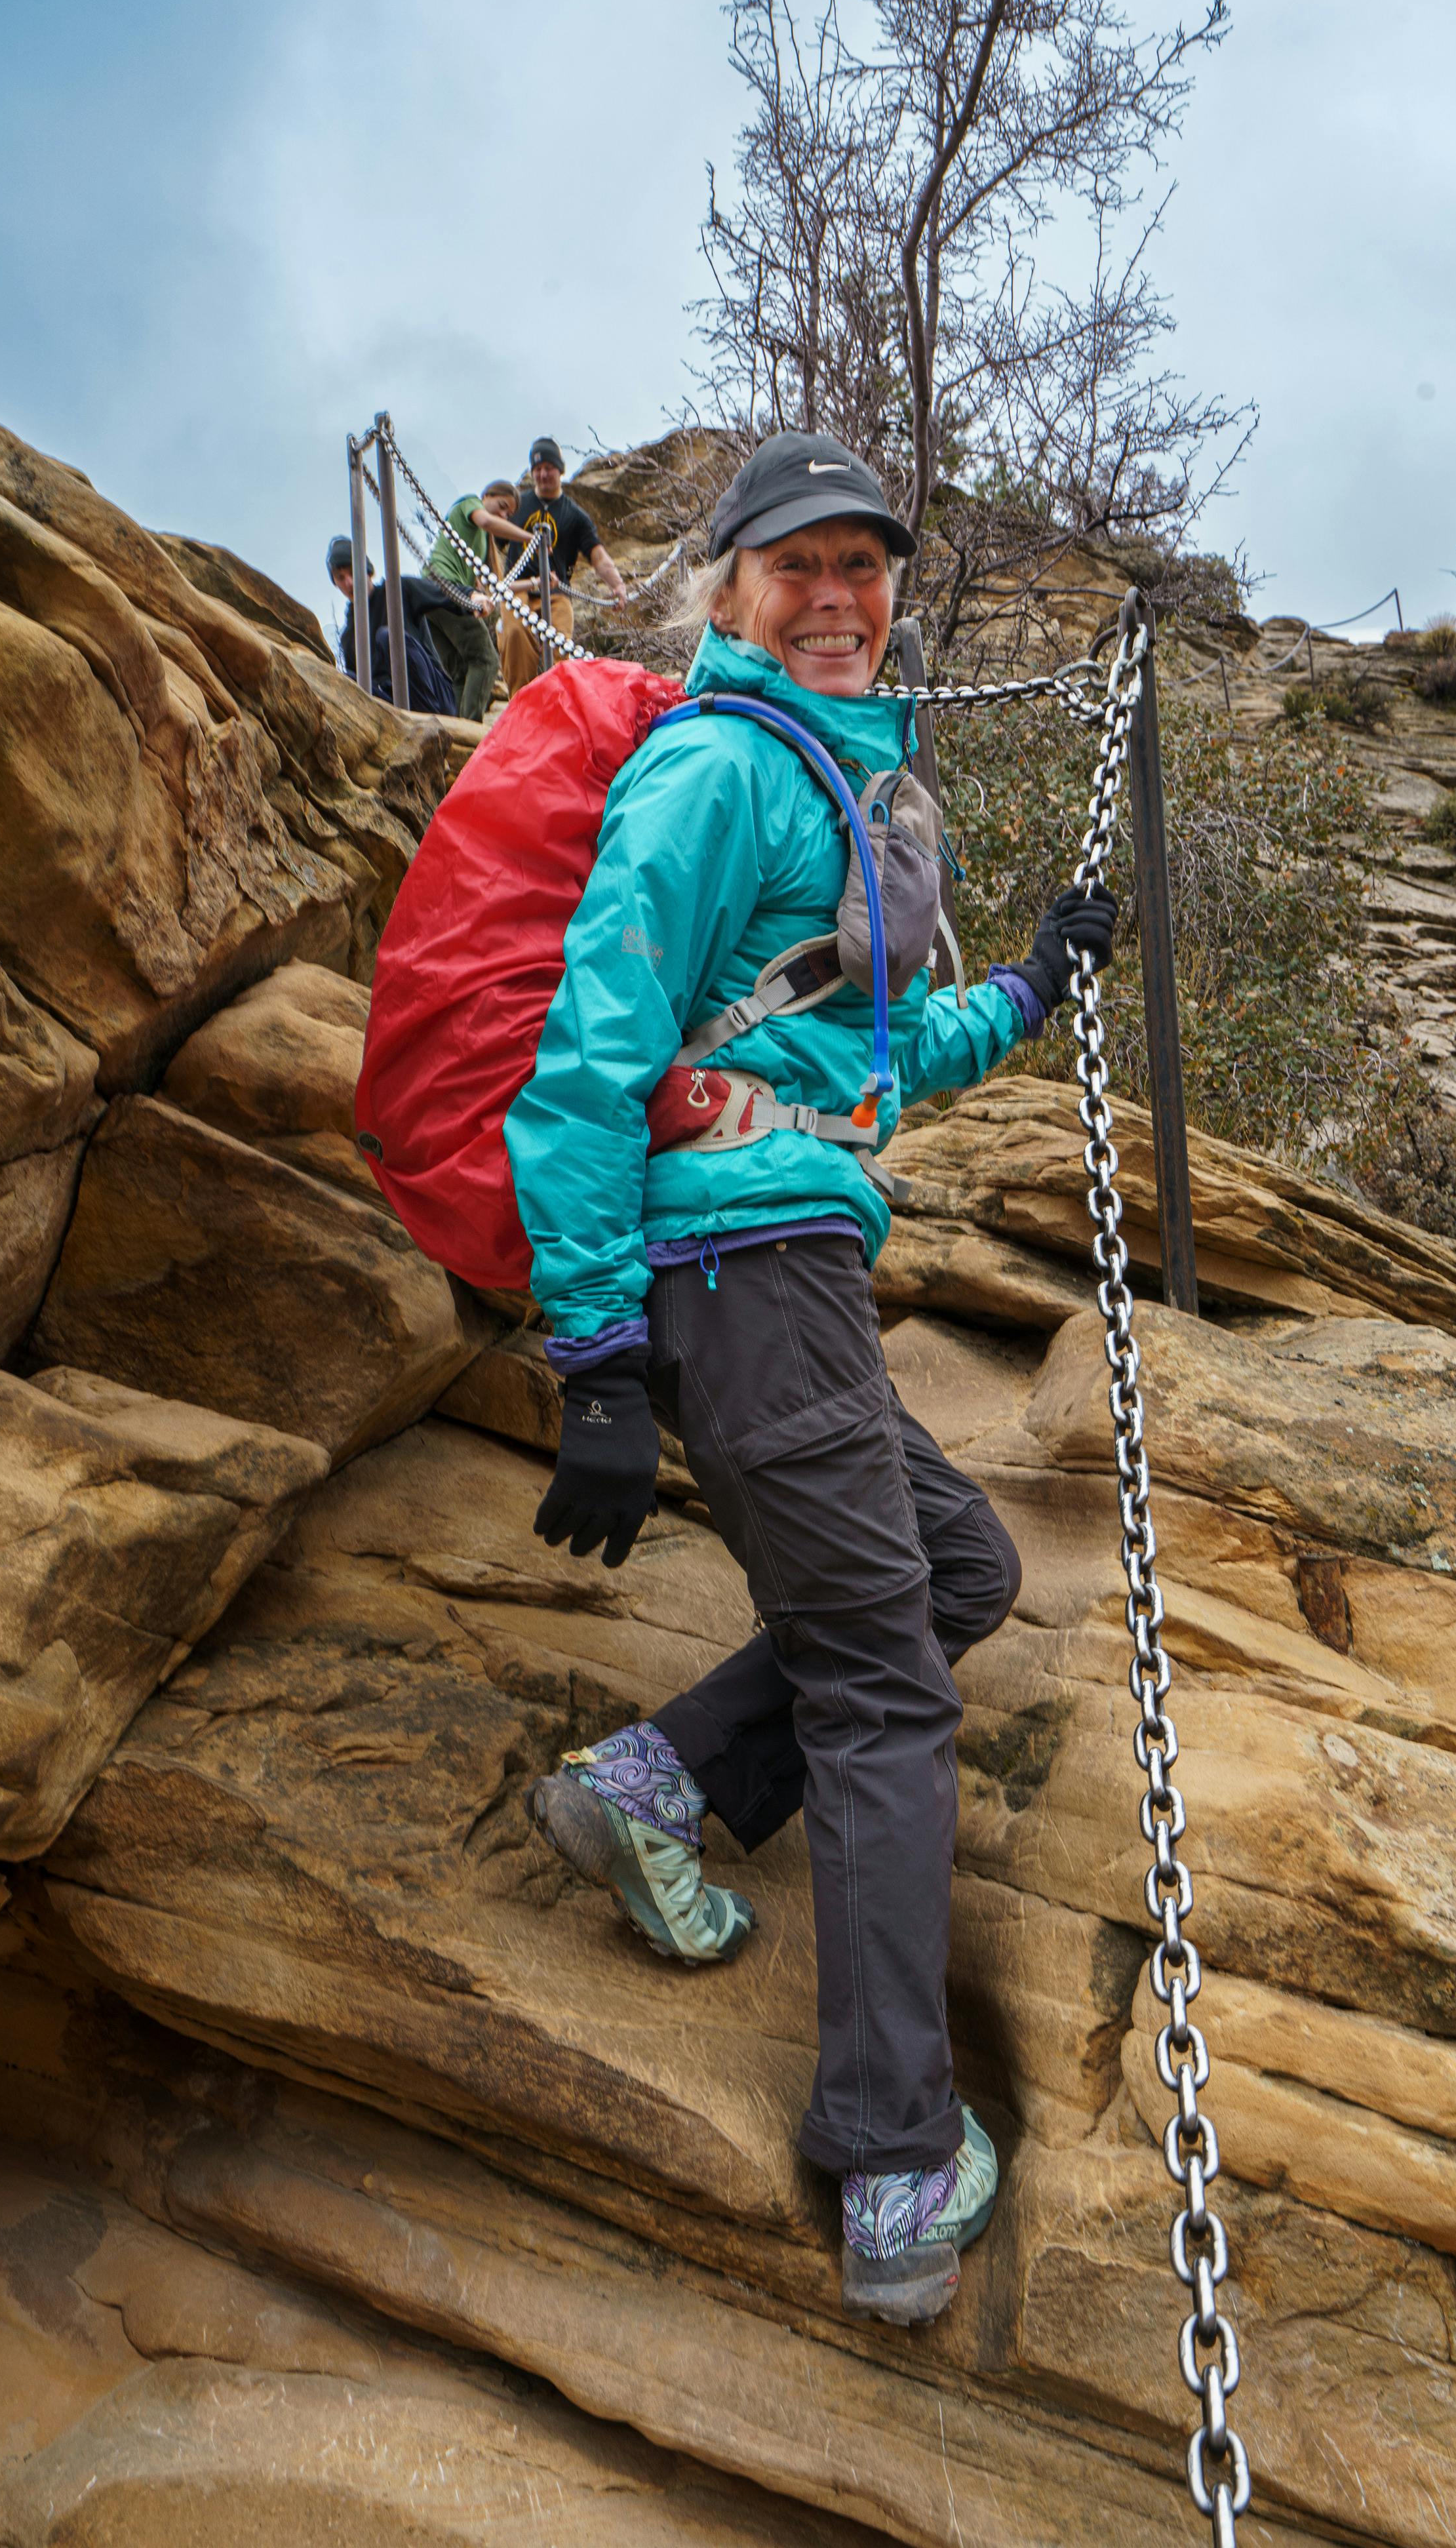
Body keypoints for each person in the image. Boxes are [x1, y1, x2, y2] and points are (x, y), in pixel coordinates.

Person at [507, 431, 1118, 2327]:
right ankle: (886, 2154)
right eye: (800, 568)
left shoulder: (832, 786)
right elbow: (587, 1061)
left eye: (865, 566)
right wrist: (594, 1352)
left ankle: (655, 1787)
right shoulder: (713, 770)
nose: (840, 598)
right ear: (728, 592)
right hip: (727, 1274)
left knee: (958, 1578)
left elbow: (856, 1055)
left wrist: (1019, 992)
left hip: (786, 1263)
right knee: (880, 1686)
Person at [497, 435, 630, 694]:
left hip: (558, 591)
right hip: (518, 588)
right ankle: (520, 701)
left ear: (560, 469)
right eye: (537, 469)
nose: (542, 474)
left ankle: (558, 703)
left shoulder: (575, 515)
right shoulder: (517, 506)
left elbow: (598, 556)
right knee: (514, 634)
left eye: (548, 468)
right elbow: (491, 538)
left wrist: (618, 585)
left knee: (561, 645)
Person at [423, 481, 533, 721]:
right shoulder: (470, 502)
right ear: (487, 496)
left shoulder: (482, 543)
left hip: (430, 599)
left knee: (462, 670)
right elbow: (485, 520)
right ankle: (472, 730)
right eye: (502, 506)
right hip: (446, 588)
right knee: (486, 660)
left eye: (509, 514)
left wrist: (536, 583)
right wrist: (530, 538)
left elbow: (500, 584)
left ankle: (460, 735)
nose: (504, 515)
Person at [327, 536, 459, 715]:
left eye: (352, 572)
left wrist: (473, 596)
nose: (349, 583)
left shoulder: (397, 590)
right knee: (344, 678)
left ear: (366, 569)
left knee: (387, 636)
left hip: (435, 696)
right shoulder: (349, 637)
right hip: (393, 706)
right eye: (340, 578)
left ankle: (427, 721)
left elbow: (444, 594)